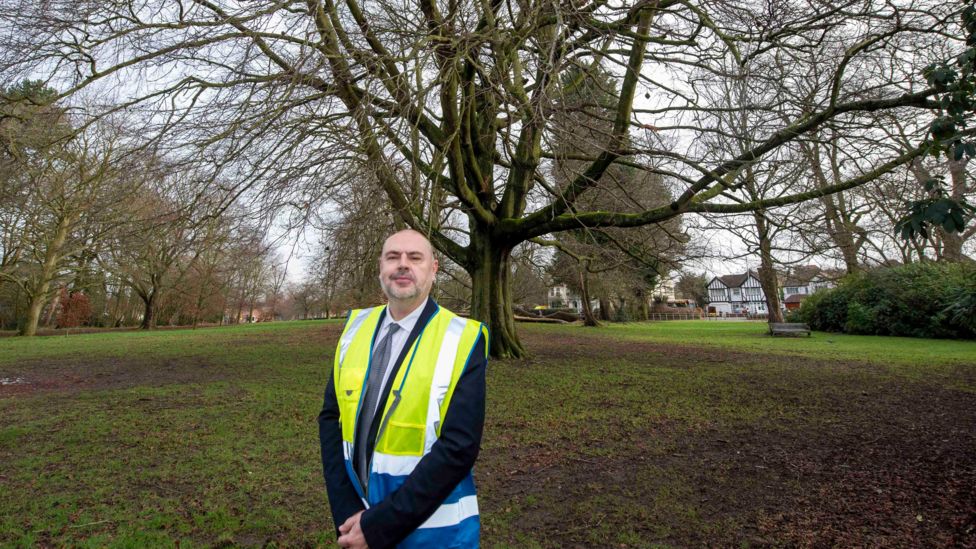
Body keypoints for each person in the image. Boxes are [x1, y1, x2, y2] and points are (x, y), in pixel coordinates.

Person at [318, 229, 489, 549]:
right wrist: (347, 512)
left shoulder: (462, 338)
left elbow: (459, 447)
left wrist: (378, 527)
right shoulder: (354, 329)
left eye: (415, 257)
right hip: (356, 525)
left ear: (433, 269)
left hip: (435, 535)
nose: (403, 264)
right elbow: (330, 419)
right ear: (380, 267)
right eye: (393, 256)